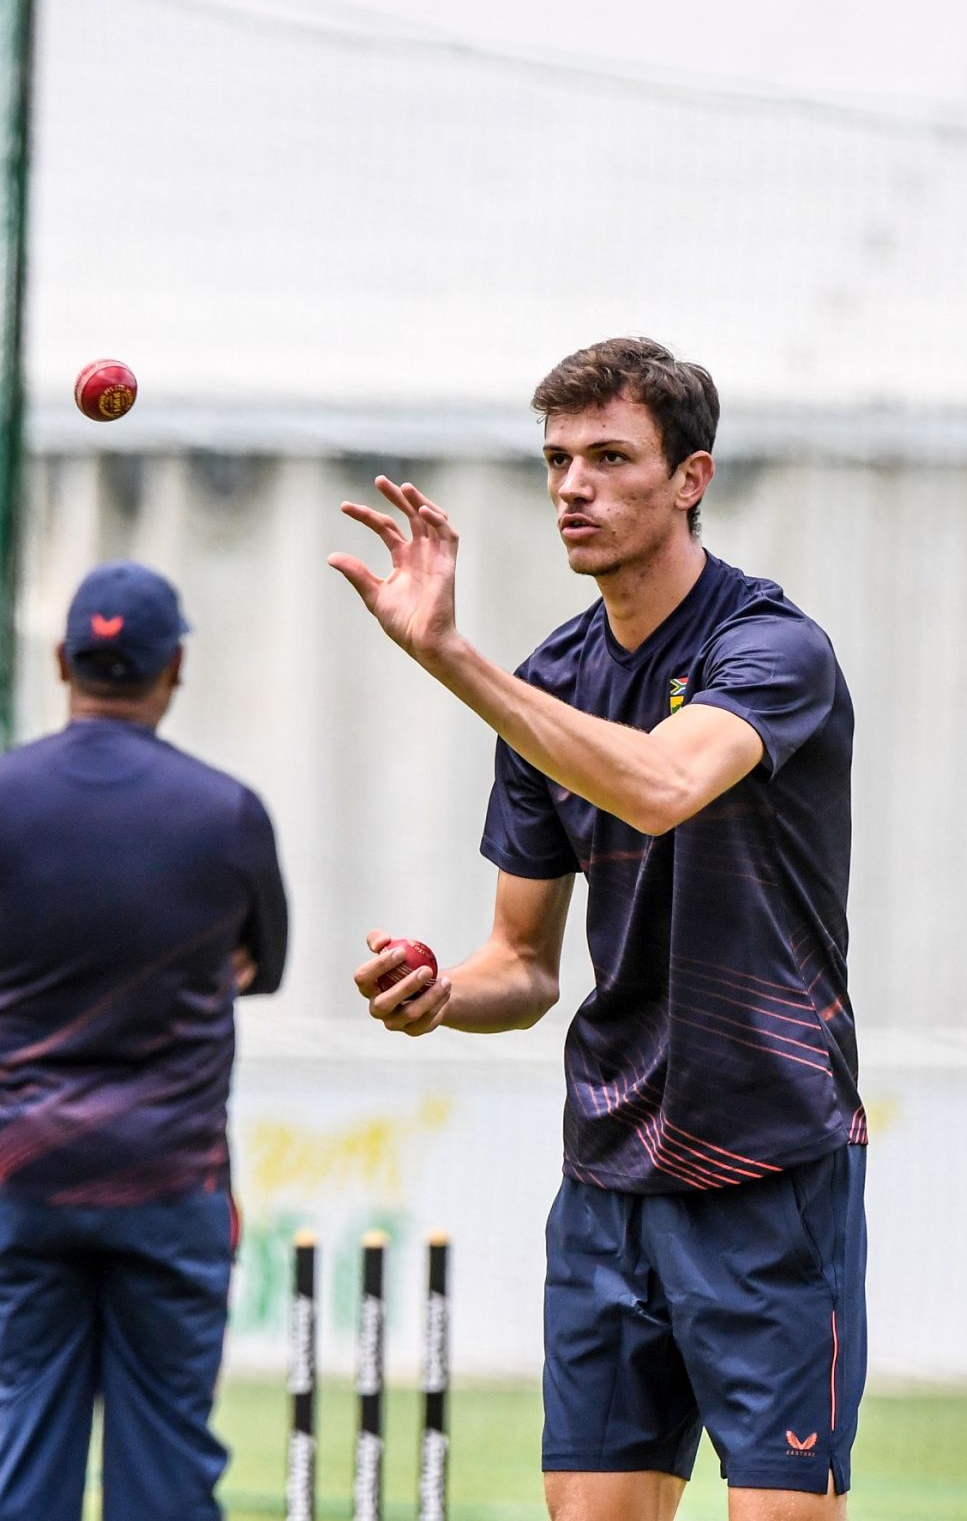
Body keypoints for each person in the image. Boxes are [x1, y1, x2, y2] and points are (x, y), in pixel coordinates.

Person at [331, 338, 866, 1521]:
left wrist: (451, 658)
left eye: (610, 457)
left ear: (692, 479)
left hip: (768, 1163)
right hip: (609, 1177)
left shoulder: (773, 650)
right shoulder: (548, 679)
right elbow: (519, 966)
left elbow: (662, 787)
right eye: (558, 459)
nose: (574, 485)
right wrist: (441, 996)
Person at [0, 561, 288, 1521]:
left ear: (64, 658)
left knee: (24, 1445)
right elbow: (263, 963)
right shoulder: (224, 810)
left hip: (27, 1175)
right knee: (165, 1466)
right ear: (173, 666)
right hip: (169, 1180)